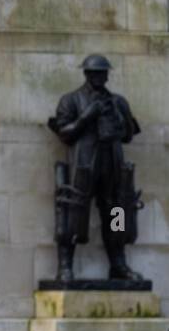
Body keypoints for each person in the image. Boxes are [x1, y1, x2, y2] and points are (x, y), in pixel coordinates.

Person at [46, 55, 144, 282]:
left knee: (117, 212)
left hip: (112, 163)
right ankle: (65, 267)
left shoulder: (118, 101)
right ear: (86, 74)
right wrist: (86, 117)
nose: (100, 77)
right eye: (95, 73)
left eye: (103, 73)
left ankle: (118, 264)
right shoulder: (71, 100)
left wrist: (122, 118)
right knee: (72, 211)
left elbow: (128, 136)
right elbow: (64, 134)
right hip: (84, 163)